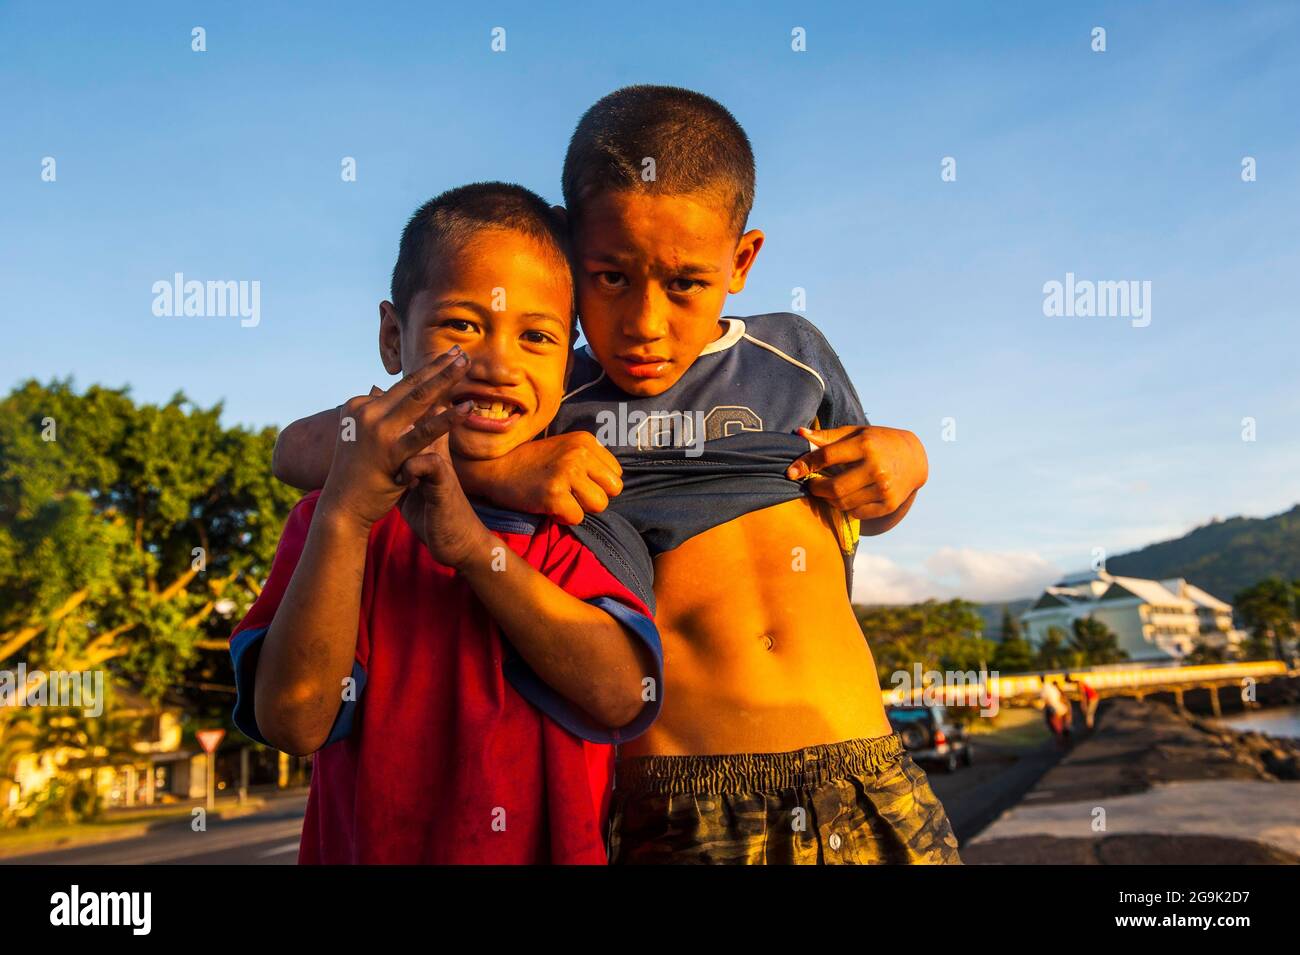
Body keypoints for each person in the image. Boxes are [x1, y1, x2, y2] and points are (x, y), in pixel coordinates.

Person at [275, 86, 961, 865]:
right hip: (679, 796)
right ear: (568, 254)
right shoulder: (539, 390)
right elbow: (298, 449)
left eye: (684, 284)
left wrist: (908, 461)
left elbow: (869, 505)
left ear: (741, 261)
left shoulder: (791, 352)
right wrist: (503, 469)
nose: (644, 322)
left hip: (860, 760)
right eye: (609, 278)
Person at [229, 183, 663, 863]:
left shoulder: (571, 512)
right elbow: (293, 720)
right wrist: (344, 516)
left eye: (537, 336)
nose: (496, 363)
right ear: (393, 337)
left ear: (568, 356)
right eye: (461, 325)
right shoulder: (336, 519)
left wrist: (466, 542)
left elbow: (620, 694)